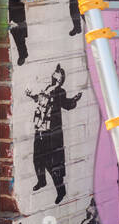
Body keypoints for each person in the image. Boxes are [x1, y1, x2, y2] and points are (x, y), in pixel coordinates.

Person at [26, 64, 84, 204]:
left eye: (56, 76)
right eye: (54, 75)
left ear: (59, 80)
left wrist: (75, 100)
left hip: (51, 134)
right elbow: (40, 99)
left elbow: (66, 104)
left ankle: (61, 190)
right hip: (40, 129)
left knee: (52, 164)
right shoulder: (46, 89)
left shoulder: (60, 92)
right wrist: (31, 95)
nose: (53, 77)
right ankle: (42, 181)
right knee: (37, 158)